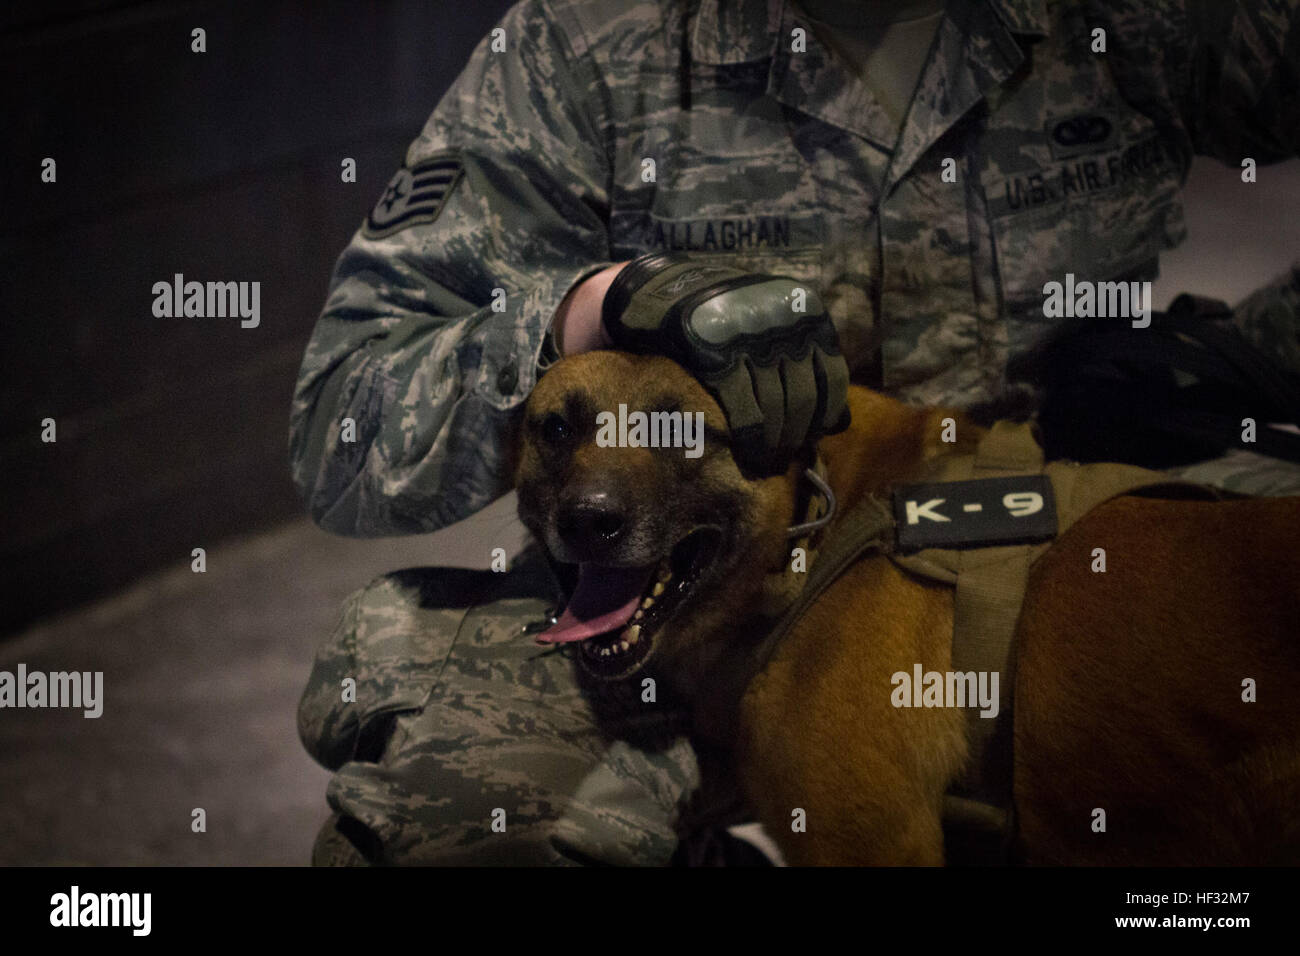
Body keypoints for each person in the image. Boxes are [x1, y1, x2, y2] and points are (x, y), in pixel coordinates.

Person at [290, 0, 1300, 865]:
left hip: (1085, 497)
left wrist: (1253, 353)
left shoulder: (1141, 14)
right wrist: (588, 309)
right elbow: (344, 414)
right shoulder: (591, 40)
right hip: (693, 583)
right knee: (455, 821)